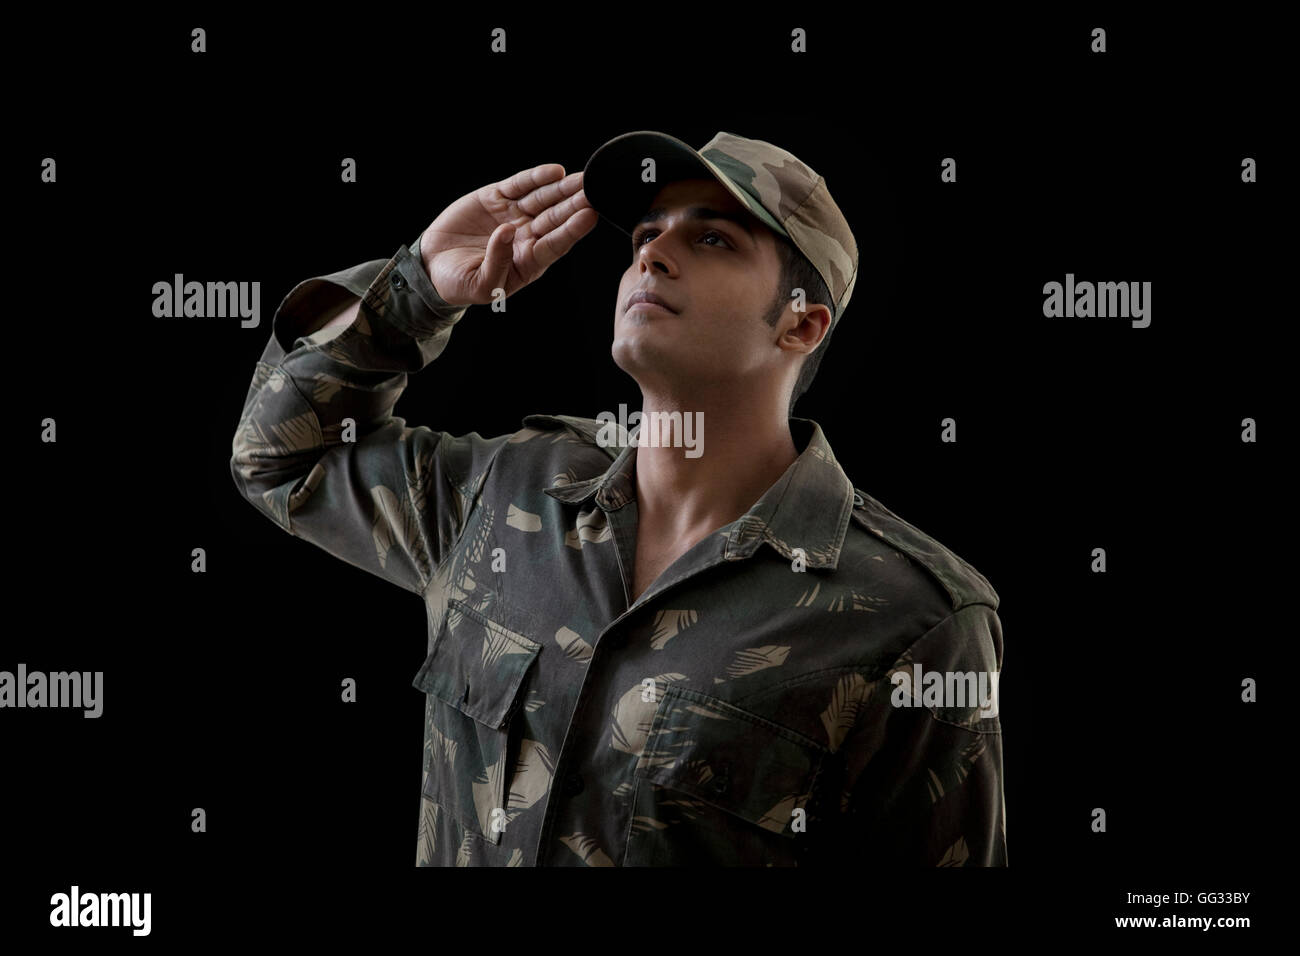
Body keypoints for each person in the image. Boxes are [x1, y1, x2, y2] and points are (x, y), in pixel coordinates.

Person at [229, 130, 1007, 867]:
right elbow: (280, 458)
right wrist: (417, 291)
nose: (654, 255)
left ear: (801, 325)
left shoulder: (916, 619)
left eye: (712, 240)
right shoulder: (504, 493)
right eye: (644, 236)